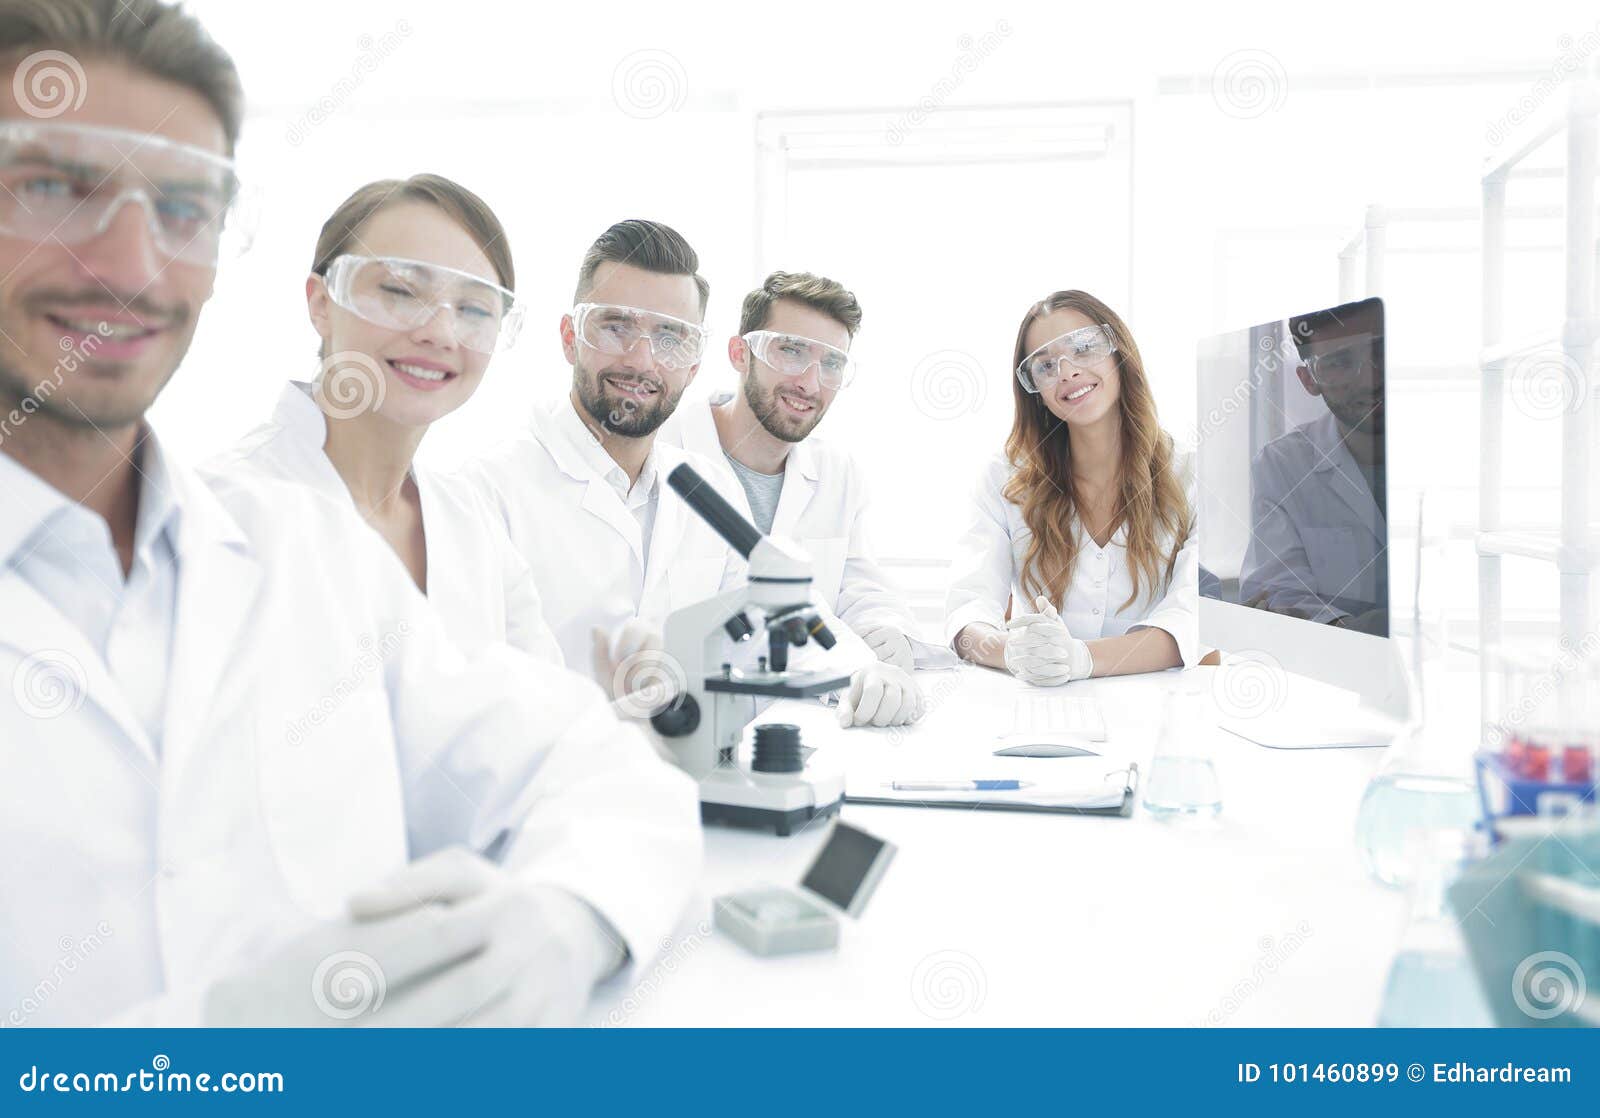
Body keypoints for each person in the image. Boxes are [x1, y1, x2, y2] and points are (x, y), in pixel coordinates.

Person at [0, 0, 698, 1027]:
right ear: (318, 299)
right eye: (56, 186)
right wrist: (206, 1043)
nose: (133, 264)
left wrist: (568, 915)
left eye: (185, 207)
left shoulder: (302, 553)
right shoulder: (280, 499)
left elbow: (587, 767)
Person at [207, 174, 562, 663]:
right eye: (400, 291)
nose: (439, 332)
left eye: (474, 308)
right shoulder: (225, 510)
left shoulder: (473, 525)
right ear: (321, 303)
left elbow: (545, 715)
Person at [461, 219, 744, 688]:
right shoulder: (486, 492)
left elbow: (752, 650)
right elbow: (476, 694)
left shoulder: (713, 491)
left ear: (694, 366)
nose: (641, 361)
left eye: (671, 338)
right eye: (616, 327)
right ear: (570, 339)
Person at [659, 270, 929, 727]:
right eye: (791, 350)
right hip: (676, 725)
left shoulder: (837, 473)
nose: (810, 382)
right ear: (739, 353)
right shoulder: (664, 451)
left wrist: (887, 632)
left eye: (832, 363)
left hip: (802, 726)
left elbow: (861, 588)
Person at [946, 289, 1198, 683]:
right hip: (1041, 706)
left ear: (1120, 354)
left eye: (1083, 348)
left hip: (1156, 710)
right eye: (1045, 366)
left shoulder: (1191, 473)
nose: (1066, 372)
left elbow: (1192, 618)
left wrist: (1081, 659)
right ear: (1036, 392)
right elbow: (968, 611)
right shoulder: (1004, 479)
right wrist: (1014, 652)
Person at [1238, 301, 1387, 634]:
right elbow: (1277, 592)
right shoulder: (1283, 464)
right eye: (1340, 363)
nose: (1372, 379)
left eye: (1380, 351)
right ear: (1309, 379)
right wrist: (1359, 631)